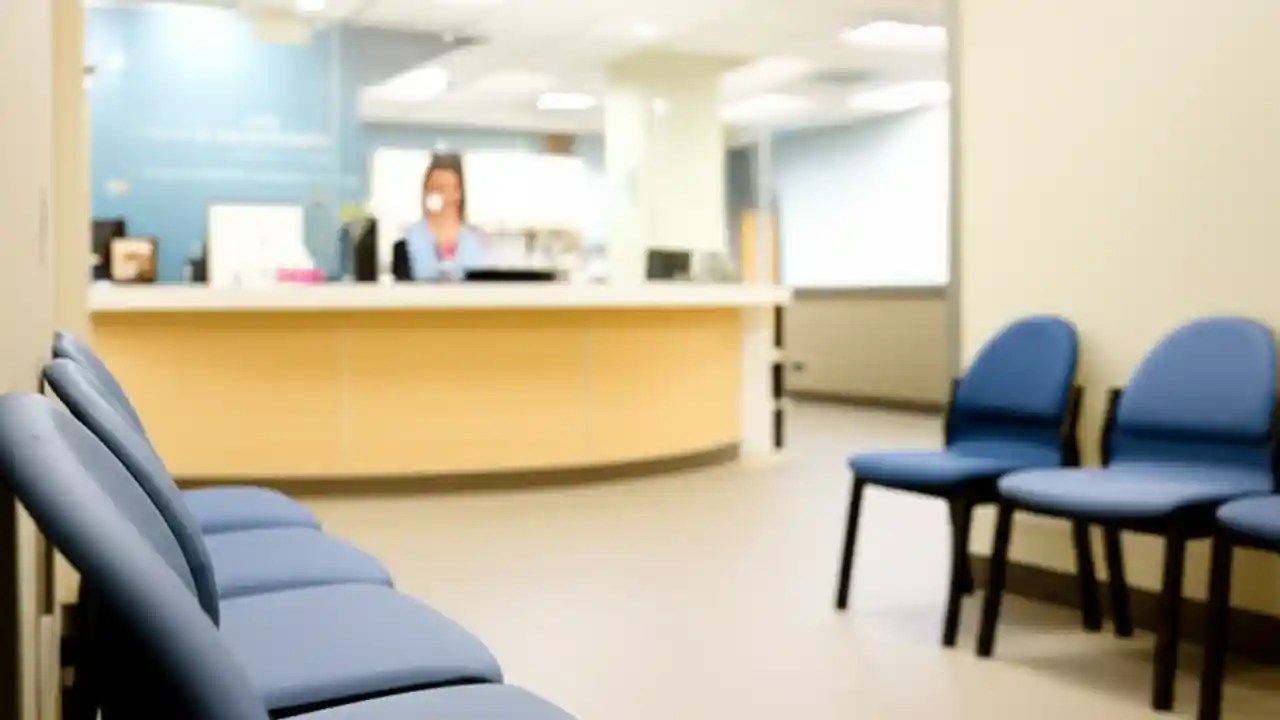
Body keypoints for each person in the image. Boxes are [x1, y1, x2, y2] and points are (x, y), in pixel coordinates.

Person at [402, 154, 486, 281]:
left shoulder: (474, 240)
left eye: (443, 188)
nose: (437, 195)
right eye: (433, 188)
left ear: (458, 193)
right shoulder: (410, 238)